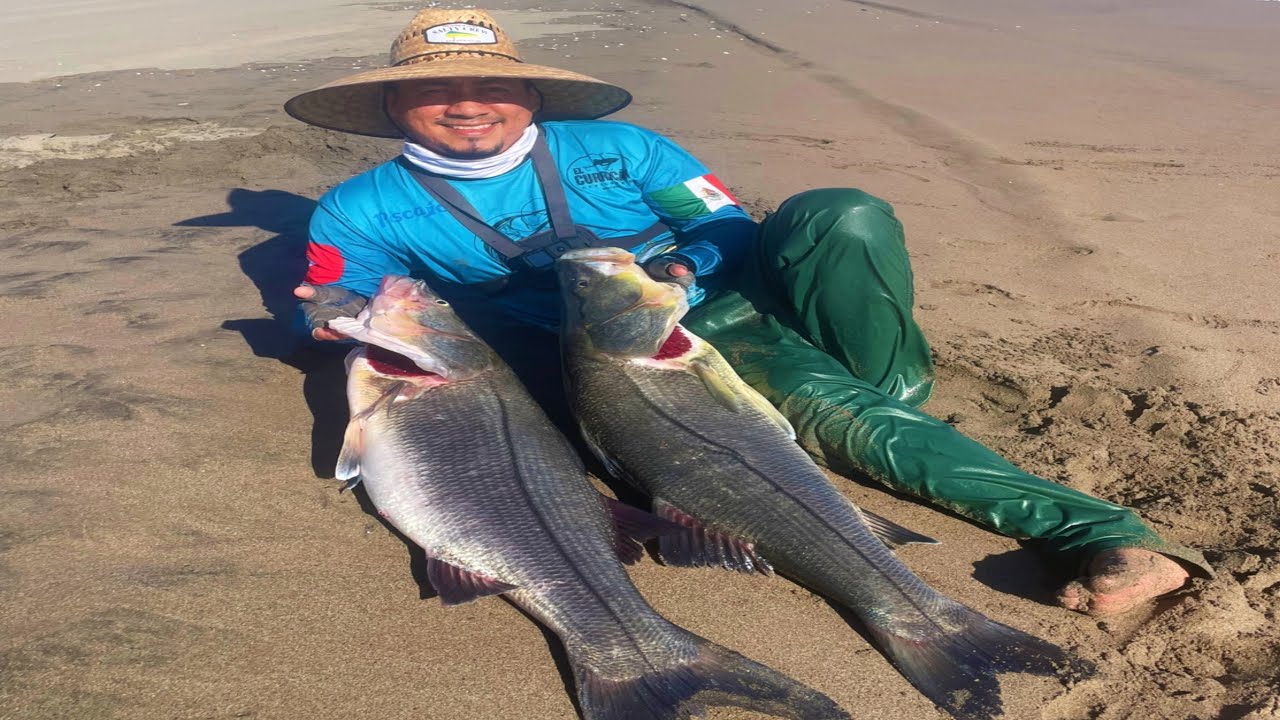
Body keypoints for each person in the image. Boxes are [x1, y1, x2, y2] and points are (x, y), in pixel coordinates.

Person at [283, 8, 1210, 617]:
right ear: (396, 103)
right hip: (573, 364)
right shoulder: (358, 210)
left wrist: (683, 274)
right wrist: (330, 318)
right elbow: (339, 302)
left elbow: (726, 223)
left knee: (854, 399)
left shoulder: (624, 146)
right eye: (438, 89)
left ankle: (1103, 532)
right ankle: (855, 407)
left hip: (694, 323)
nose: (467, 105)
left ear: (529, 92)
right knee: (807, 428)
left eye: (490, 84)